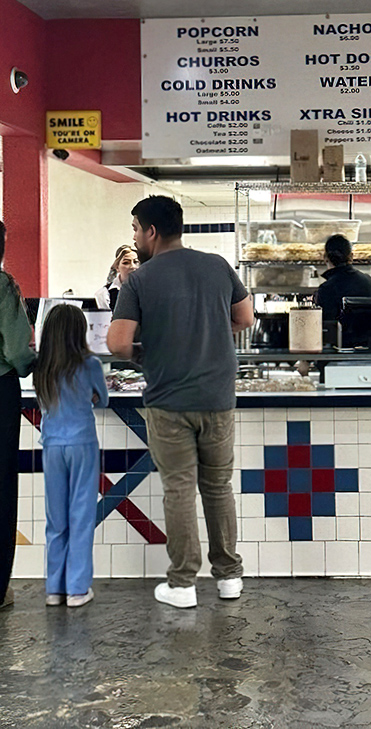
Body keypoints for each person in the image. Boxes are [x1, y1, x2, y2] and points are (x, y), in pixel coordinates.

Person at [107, 195, 254, 609]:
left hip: (169, 400)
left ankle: (183, 583)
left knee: (179, 490)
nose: (135, 238)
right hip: (217, 398)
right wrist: (208, 330)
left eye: (136, 229)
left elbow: (117, 343)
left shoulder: (140, 280)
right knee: (218, 487)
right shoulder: (218, 266)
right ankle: (229, 577)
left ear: (151, 231)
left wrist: (148, 348)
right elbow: (245, 319)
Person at [34, 304, 108, 608]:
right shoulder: (90, 364)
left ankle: (54, 589)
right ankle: (77, 589)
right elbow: (102, 400)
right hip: (82, 444)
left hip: (52, 445)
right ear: (80, 331)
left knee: (56, 519)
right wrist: (91, 396)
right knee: (81, 516)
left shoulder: (42, 366)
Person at [0, 221, 37, 611]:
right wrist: (33, 363)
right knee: (2, 486)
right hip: (0, 390)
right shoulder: (2, 286)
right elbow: (16, 350)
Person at [314, 234, 371, 323]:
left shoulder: (326, 289)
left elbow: (327, 326)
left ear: (325, 258)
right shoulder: (367, 281)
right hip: (369, 332)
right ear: (351, 257)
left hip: (342, 333)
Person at [95, 245, 139, 310]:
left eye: (136, 262)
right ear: (117, 267)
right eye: (126, 263)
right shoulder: (104, 294)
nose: (132, 266)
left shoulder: (147, 289)